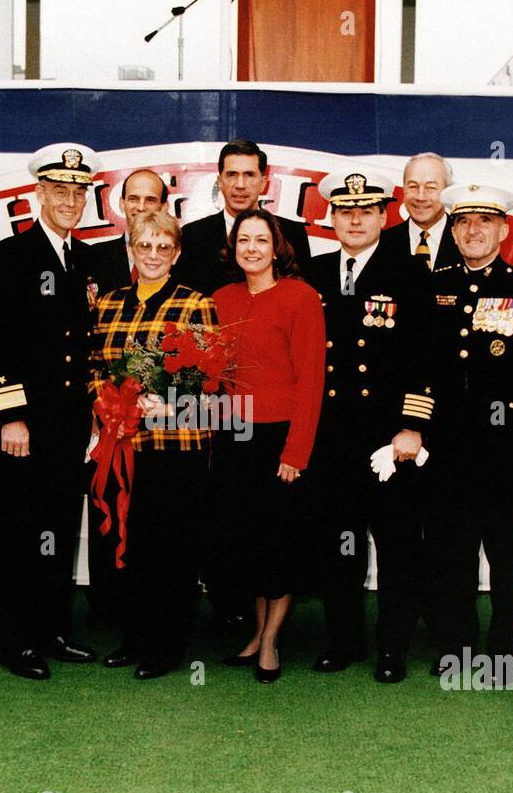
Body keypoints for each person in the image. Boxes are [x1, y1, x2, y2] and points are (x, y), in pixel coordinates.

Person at [0, 143, 103, 680]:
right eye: (60, 190)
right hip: (24, 427)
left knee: (58, 527)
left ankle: (53, 629)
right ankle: (15, 640)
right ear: (39, 194)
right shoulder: (12, 256)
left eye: (79, 192)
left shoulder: (83, 258)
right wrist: (10, 417)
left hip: (69, 423)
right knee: (15, 533)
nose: (70, 200)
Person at [306, 169, 433, 683]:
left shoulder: (412, 273)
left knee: (397, 547)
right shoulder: (311, 276)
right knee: (341, 546)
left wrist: (411, 426)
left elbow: (429, 359)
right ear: (331, 218)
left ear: (385, 215)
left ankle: (392, 648)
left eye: (365, 211)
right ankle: (345, 641)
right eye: (344, 211)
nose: (354, 219)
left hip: (388, 441)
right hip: (332, 439)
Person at [89, 210, 217, 679]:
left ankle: (166, 646)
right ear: (131, 249)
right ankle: (135, 637)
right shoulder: (107, 304)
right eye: (145, 246)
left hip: (175, 447)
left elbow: (210, 381)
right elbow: (94, 369)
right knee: (131, 547)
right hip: (121, 447)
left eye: (164, 247)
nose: (153, 255)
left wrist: (167, 402)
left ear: (177, 253)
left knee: (173, 549)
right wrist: (108, 403)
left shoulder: (195, 305)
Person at [421, 184, 513, 671]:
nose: (473, 231)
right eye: (464, 223)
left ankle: (503, 648)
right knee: (453, 548)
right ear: (452, 230)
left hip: (505, 444)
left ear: (504, 230)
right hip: (448, 441)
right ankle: (457, 643)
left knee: (506, 552)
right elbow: (424, 363)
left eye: (485, 222)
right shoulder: (434, 285)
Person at [213, 209, 326, 682]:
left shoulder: (301, 298)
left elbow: (311, 381)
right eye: (244, 240)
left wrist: (295, 452)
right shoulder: (220, 299)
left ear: (278, 247)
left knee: (279, 546)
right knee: (248, 547)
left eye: (261, 240)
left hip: (281, 440)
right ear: (233, 247)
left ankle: (272, 642)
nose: (252, 249)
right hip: (233, 438)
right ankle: (257, 634)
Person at [86, 167, 170, 630]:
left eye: (151, 199)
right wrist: (103, 404)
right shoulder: (90, 258)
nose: (141, 207)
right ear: (121, 204)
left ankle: (149, 616)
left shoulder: (179, 265)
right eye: (133, 198)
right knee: (105, 509)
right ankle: (107, 613)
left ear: (163, 206)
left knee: (150, 521)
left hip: (158, 426)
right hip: (101, 421)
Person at [174, 139, 312, 298]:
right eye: (232, 174)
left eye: (249, 175)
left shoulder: (292, 233)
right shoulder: (193, 235)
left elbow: (303, 298)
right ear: (220, 182)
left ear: (263, 183)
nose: (240, 184)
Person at [378, 152, 462, 273]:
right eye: (413, 186)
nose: (420, 197)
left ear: (447, 191)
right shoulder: (381, 244)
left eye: (431, 187)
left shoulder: (467, 242)